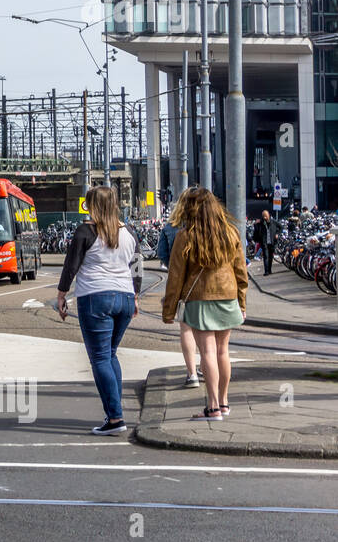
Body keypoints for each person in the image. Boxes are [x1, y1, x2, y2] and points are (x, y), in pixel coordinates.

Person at [56, 186, 143, 436]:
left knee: (101, 358)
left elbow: (70, 265)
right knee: (110, 354)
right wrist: (135, 296)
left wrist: (62, 294)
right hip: (125, 298)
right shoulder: (130, 233)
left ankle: (115, 418)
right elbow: (137, 267)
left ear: (93, 205)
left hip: (95, 298)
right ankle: (115, 413)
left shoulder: (85, 231)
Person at [161, 187, 249, 422]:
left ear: (191, 209)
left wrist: (169, 310)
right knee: (223, 352)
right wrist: (241, 302)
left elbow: (176, 276)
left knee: (208, 352)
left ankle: (212, 408)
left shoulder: (186, 235)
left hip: (199, 299)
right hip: (227, 296)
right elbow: (241, 272)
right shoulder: (231, 232)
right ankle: (225, 402)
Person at [159, 191, 202, 389]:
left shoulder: (171, 227)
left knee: (186, 327)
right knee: (205, 328)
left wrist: (175, 266)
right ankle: (206, 367)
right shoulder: (208, 226)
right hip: (205, 284)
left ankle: (191, 373)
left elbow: (162, 253)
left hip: (183, 283)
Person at [251, 210, 279, 276]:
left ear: (268, 216)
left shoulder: (273, 222)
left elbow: (280, 227)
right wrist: (255, 224)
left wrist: (277, 234)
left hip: (272, 241)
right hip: (264, 242)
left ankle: (269, 270)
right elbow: (257, 230)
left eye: (266, 216)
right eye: (264, 216)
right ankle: (266, 271)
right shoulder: (261, 223)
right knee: (266, 256)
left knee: (270, 256)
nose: (265, 218)